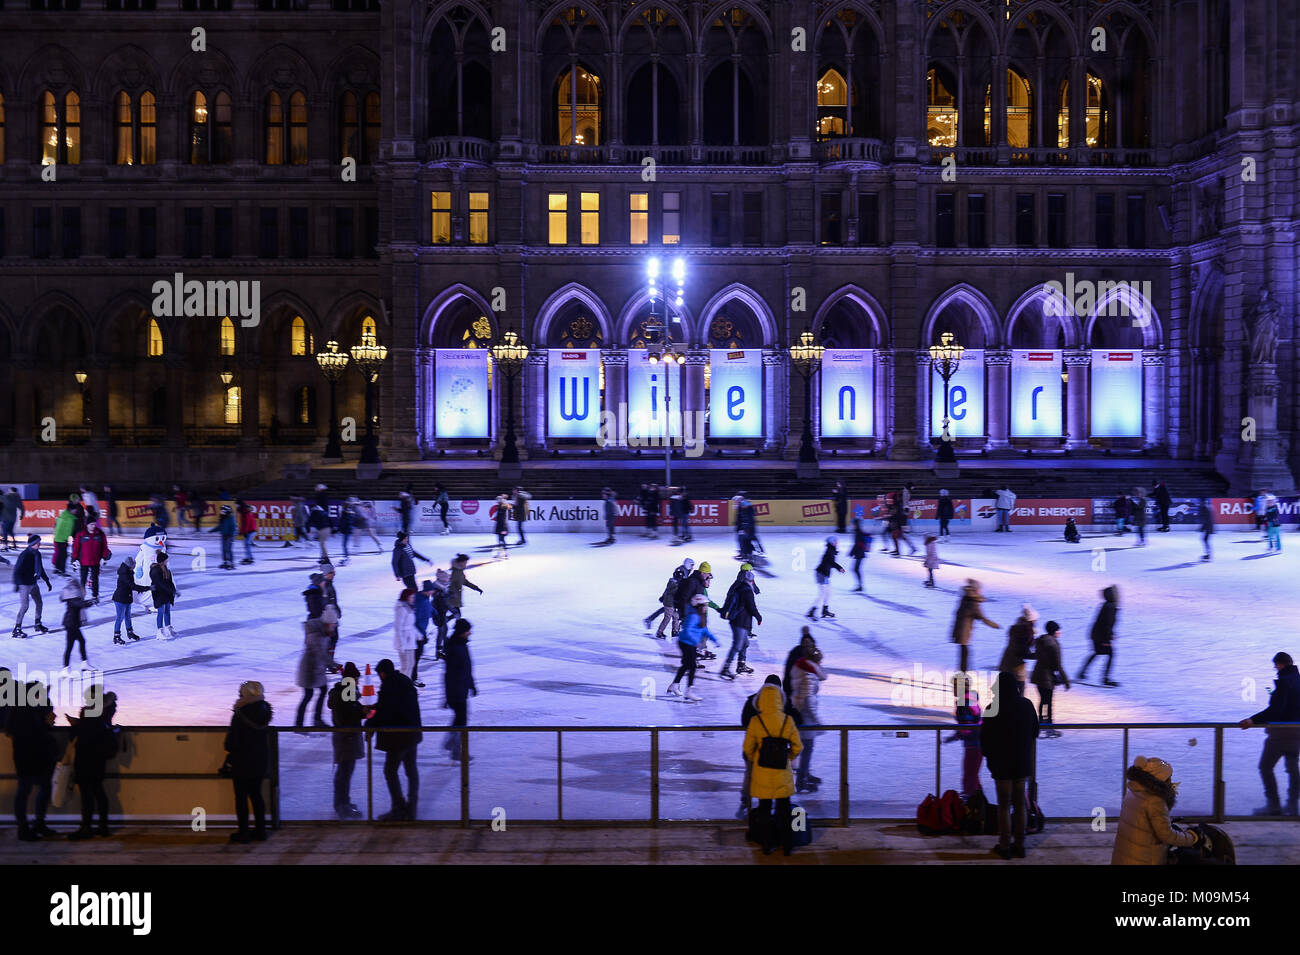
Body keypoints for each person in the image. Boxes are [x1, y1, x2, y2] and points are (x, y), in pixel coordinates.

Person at [980, 671, 1039, 859]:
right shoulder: (1026, 705)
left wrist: (990, 758)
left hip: (1001, 766)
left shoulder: (992, 708)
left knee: (1004, 806)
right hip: (1021, 764)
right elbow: (1035, 731)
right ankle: (1020, 845)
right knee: (1020, 804)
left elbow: (985, 740)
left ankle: (1004, 846)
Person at [743, 683, 803, 856]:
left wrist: (758, 759)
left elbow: (748, 748)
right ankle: (788, 845)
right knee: (785, 811)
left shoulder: (756, 721)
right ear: (780, 700)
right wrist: (787, 758)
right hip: (782, 774)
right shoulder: (788, 720)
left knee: (764, 811)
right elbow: (798, 747)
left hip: (762, 774)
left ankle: (768, 844)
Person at [1238, 651, 1300, 816]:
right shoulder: (1298, 681)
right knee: (1293, 768)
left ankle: (1274, 807)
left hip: (1280, 733)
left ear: (1280, 664)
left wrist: (1252, 720)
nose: (1275, 669)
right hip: (1297, 732)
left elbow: (1276, 710)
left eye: (1276, 666)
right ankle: (1293, 806)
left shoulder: (1284, 683)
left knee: (1265, 767)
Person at [1110, 756, 1199, 864]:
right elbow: (1167, 836)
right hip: (1144, 860)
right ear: (1161, 780)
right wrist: (1192, 838)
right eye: (1169, 778)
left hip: (1124, 858)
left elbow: (1144, 825)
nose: (1171, 782)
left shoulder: (1133, 793)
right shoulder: (1155, 801)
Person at [367, 658, 422, 819]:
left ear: (382, 673)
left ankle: (399, 808)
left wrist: (370, 724)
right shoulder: (404, 680)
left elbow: (386, 709)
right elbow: (387, 705)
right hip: (412, 733)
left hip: (399, 737)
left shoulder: (389, 684)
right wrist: (374, 708)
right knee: (411, 770)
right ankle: (411, 808)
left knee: (390, 771)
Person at [67, 688, 120, 839]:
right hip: (98, 760)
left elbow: (81, 735)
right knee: (98, 791)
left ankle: (86, 827)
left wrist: (75, 725)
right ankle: (103, 826)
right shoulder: (104, 713)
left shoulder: (89, 713)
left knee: (86, 795)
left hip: (85, 759)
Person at [9, 679, 58, 841]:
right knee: (25, 790)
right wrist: (46, 725)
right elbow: (30, 733)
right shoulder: (22, 711)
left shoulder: (32, 709)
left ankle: (37, 823)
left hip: (36, 756)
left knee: (40, 789)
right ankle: (24, 827)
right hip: (28, 757)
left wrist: (47, 723)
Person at [224, 681, 273, 843]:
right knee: (256, 795)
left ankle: (243, 833)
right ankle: (261, 831)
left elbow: (232, 743)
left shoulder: (240, 713)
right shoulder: (265, 710)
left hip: (242, 762)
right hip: (260, 760)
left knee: (241, 797)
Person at [327, 662, 366, 820]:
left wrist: (360, 710)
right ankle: (342, 805)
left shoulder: (342, 690)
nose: (358, 682)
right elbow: (350, 713)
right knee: (344, 773)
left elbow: (349, 709)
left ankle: (343, 803)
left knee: (344, 773)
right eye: (357, 679)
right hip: (348, 737)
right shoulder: (348, 689)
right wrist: (363, 712)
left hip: (343, 736)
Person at [441, 614, 480, 763]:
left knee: (460, 719)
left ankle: (452, 745)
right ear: (462, 632)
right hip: (456, 691)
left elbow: (466, 669)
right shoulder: (455, 648)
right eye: (468, 630)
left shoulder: (461, 645)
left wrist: (472, 685)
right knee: (461, 721)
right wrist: (448, 696)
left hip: (460, 689)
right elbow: (451, 674)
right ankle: (456, 750)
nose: (470, 633)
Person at [791, 640, 827, 793]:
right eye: (820, 662)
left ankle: (804, 774)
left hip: (801, 716)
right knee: (806, 749)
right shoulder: (809, 676)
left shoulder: (804, 671)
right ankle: (801, 781)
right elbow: (809, 700)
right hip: (806, 719)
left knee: (804, 748)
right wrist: (817, 721)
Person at [666, 594, 718, 702]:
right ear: (698, 606)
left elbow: (705, 631)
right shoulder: (693, 616)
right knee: (692, 666)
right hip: (686, 643)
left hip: (689, 643)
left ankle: (674, 685)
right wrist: (696, 642)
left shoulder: (700, 616)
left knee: (686, 665)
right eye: (704, 605)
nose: (705, 607)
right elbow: (687, 630)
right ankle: (689, 691)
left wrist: (714, 639)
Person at [950, 578, 999, 679]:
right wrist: (994, 625)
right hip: (963, 632)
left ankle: (963, 675)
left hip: (960, 630)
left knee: (965, 654)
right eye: (980, 589)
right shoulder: (972, 603)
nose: (981, 591)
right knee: (965, 655)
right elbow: (982, 617)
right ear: (976, 590)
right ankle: (962, 679)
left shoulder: (966, 598)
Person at [719, 566, 761, 680]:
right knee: (737, 645)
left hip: (737, 620)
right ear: (751, 580)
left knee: (745, 643)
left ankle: (741, 665)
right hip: (740, 622)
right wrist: (758, 617)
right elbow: (751, 607)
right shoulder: (747, 590)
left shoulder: (738, 585)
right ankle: (725, 669)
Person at [1031, 621, 1070, 738]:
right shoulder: (1054, 645)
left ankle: (1039, 725)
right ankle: (1049, 727)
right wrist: (1066, 681)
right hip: (1047, 677)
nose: (1060, 632)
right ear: (1054, 631)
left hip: (1038, 675)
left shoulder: (1040, 641)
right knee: (1048, 703)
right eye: (1058, 630)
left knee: (1042, 700)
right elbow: (1058, 665)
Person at [295, 609, 332, 728]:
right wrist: (334, 664)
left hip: (316, 669)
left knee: (322, 690)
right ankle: (299, 724)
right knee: (308, 695)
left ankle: (316, 719)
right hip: (308, 671)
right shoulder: (315, 635)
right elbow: (321, 653)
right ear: (326, 623)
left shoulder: (322, 631)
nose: (333, 627)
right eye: (332, 625)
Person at [12, 534, 53, 638]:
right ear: (33, 544)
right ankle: (16, 629)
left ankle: (37, 624)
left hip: (33, 583)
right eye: (38, 542)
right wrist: (17, 584)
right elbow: (17, 570)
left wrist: (47, 580)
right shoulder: (25, 555)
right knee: (25, 606)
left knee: (39, 603)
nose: (40, 543)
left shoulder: (37, 554)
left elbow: (40, 568)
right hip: (24, 584)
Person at [1078, 585, 1119, 686]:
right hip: (1101, 636)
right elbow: (1107, 623)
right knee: (1110, 654)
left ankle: (1082, 672)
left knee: (1098, 653)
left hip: (1097, 635)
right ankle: (1105, 678)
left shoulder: (1107, 605)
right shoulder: (1110, 606)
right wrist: (1108, 638)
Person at [944, 697, 984, 798]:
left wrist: (956, 736)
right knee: (972, 774)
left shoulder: (966, 709)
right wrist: (954, 737)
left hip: (974, 748)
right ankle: (976, 797)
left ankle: (971, 797)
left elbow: (968, 729)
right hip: (973, 747)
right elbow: (966, 728)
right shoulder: (970, 707)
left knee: (970, 775)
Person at [999, 604, 1039, 691]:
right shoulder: (1026, 631)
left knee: (1007, 690)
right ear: (1031, 620)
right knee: (1019, 689)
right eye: (1035, 620)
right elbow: (1022, 651)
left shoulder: (1017, 627)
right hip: (1016, 665)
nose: (1036, 622)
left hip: (1007, 661)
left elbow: (1022, 644)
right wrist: (1037, 655)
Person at [110, 555, 149, 644]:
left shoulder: (129, 572)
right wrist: (147, 588)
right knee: (120, 617)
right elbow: (133, 586)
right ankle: (116, 636)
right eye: (133, 564)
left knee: (128, 616)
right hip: (120, 598)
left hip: (127, 597)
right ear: (129, 565)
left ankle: (130, 632)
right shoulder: (124, 574)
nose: (135, 566)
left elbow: (131, 586)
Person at [59, 577, 94, 672]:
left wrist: (88, 602)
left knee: (82, 641)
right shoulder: (72, 599)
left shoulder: (72, 598)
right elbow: (80, 604)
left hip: (72, 624)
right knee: (69, 647)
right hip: (71, 625)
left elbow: (80, 603)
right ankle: (65, 669)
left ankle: (84, 664)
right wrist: (89, 602)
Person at [807, 537, 845, 620]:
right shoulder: (829, 551)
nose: (837, 543)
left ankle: (825, 610)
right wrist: (839, 568)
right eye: (835, 541)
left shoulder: (831, 550)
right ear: (831, 542)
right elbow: (831, 562)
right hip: (822, 574)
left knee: (828, 592)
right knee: (822, 593)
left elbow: (831, 561)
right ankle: (812, 611)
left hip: (825, 575)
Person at [647, 564, 687, 640]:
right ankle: (659, 632)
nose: (681, 578)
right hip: (669, 603)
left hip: (672, 603)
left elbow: (667, 591)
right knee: (667, 618)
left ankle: (675, 631)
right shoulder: (674, 584)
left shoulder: (674, 583)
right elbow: (672, 592)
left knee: (676, 617)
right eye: (680, 577)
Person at [150, 550, 179, 641]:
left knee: (167, 611)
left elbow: (170, 582)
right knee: (160, 612)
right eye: (166, 560)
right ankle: (160, 632)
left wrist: (174, 590)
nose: (167, 561)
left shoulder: (166, 570)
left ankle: (168, 629)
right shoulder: (155, 570)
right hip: (159, 595)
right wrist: (169, 590)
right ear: (162, 561)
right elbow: (160, 583)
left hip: (166, 594)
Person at [393, 587, 419, 677]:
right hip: (404, 641)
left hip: (410, 640)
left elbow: (411, 624)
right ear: (406, 597)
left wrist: (417, 634)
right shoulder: (401, 609)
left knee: (411, 664)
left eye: (413, 597)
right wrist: (401, 644)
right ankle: (402, 685)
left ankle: (406, 684)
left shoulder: (410, 608)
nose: (413, 599)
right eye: (411, 597)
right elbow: (398, 627)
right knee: (406, 665)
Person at [448, 553, 481, 620]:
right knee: (458, 615)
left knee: (457, 615)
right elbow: (449, 584)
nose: (466, 563)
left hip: (456, 597)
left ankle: (445, 621)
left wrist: (476, 588)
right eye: (465, 562)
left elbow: (464, 581)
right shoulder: (456, 572)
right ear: (460, 562)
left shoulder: (459, 571)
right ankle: (444, 622)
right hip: (452, 598)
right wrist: (452, 593)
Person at [52, 500, 77, 575]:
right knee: (63, 555)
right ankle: (61, 570)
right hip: (62, 539)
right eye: (74, 510)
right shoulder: (68, 518)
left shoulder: (64, 515)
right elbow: (68, 529)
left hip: (58, 538)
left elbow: (56, 525)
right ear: (71, 510)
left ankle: (57, 568)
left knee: (60, 554)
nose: (75, 511)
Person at [850, 509, 870, 592]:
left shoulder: (858, 532)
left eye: (854, 524)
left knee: (855, 569)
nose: (853, 525)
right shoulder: (858, 532)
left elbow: (858, 544)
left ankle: (860, 586)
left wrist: (851, 552)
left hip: (860, 553)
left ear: (856, 524)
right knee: (855, 569)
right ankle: (860, 585)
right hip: (859, 553)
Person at [212, 504, 237, 570]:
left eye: (222, 511)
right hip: (224, 536)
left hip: (229, 536)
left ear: (227, 511)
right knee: (223, 549)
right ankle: (225, 561)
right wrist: (212, 530)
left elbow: (233, 528)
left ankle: (231, 563)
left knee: (228, 549)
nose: (221, 512)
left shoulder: (231, 517)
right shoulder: (223, 517)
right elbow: (220, 526)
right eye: (221, 511)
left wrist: (230, 536)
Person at [236, 499, 258, 565]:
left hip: (251, 531)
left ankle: (249, 558)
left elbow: (247, 523)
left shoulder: (245, 513)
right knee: (246, 545)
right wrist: (241, 531)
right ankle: (249, 557)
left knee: (247, 544)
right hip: (250, 531)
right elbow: (243, 524)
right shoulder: (244, 512)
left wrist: (245, 532)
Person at [492, 494, 511, 559]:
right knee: (500, 540)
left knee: (501, 540)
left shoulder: (503, 507)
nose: (497, 501)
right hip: (500, 526)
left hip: (503, 527)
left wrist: (504, 500)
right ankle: (504, 554)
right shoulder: (500, 506)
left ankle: (503, 554)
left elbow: (508, 507)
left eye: (498, 500)